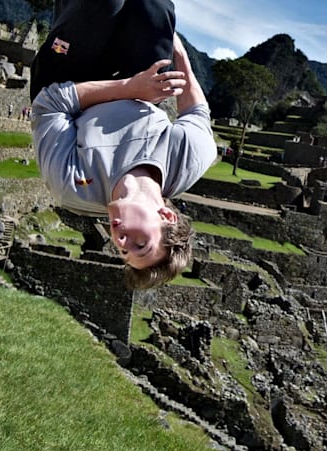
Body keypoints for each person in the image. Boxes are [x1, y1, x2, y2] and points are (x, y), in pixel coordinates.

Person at [30, 0, 216, 289]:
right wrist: (177, 52)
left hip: (68, 83)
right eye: (140, 244)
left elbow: (48, 104)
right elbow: (196, 111)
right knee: (155, 8)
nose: (120, 240)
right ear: (166, 216)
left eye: (123, 252)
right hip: (142, 81)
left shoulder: (73, 188)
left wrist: (129, 88)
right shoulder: (190, 159)